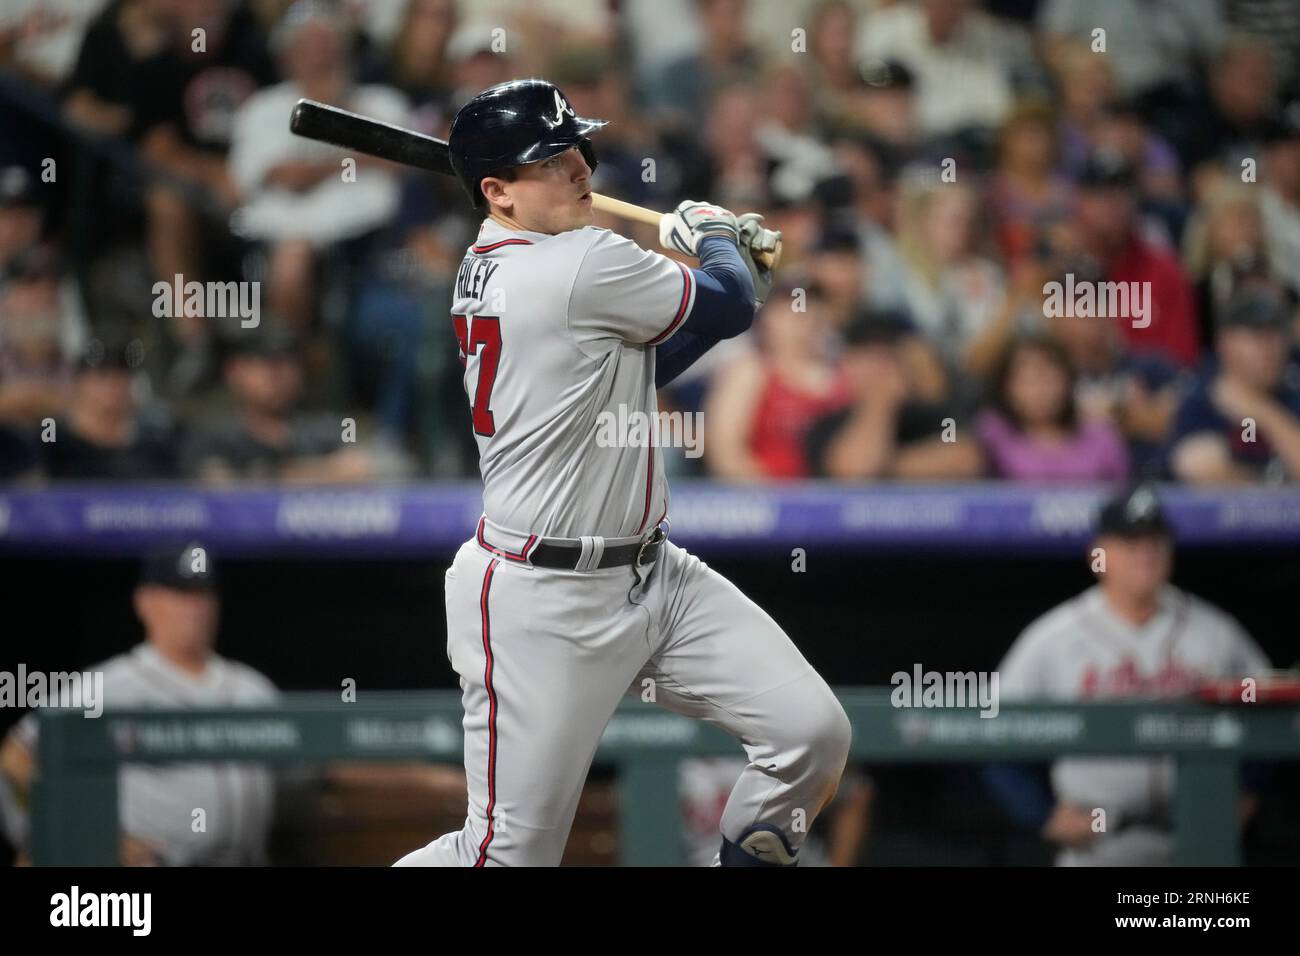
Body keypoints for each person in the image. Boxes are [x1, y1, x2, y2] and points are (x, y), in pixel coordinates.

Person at [393, 79, 850, 867]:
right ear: (497, 192)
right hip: (542, 601)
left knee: (808, 734)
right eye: (549, 160)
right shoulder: (575, 261)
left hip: (654, 575)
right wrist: (708, 234)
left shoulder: (507, 259)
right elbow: (730, 307)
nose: (577, 168)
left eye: (576, 149)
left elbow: (645, 361)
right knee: (503, 856)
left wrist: (718, 269)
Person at [984, 484, 1272, 866]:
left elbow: (1274, 714)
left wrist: (1249, 792)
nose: (1146, 553)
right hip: (1098, 844)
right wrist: (1040, 814)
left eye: (1156, 541)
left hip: (1199, 838)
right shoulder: (1053, 637)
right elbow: (989, 731)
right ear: (1098, 556)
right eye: (1130, 542)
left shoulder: (1216, 631)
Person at [0, 542, 279, 866]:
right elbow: (15, 760)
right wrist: (92, 834)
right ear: (144, 601)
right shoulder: (107, 684)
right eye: (180, 593)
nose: (194, 607)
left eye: (203, 593)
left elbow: (306, 776)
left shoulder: (253, 687)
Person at [227, 0, 408, 331]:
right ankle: (292, 360)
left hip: (370, 242)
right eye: (311, 47)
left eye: (331, 45)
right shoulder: (264, 109)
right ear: (287, 57)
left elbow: (403, 163)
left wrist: (342, 120)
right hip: (284, 242)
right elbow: (290, 177)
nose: (324, 56)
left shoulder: (383, 103)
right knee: (293, 260)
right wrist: (361, 156)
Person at [804, 309, 982, 481]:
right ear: (846, 364)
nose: (880, 367)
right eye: (869, 356)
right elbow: (853, 470)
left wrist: (883, 466)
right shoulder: (827, 422)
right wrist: (879, 402)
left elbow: (965, 458)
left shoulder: (928, 416)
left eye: (889, 355)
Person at [704, 285, 853, 481]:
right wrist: (781, 500)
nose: (803, 317)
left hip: (837, 498)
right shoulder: (750, 373)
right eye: (792, 309)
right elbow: (726, 453)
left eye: (810, 309)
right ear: (768, 319)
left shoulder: (844, 375)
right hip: (766, 497)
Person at [1168, 286, 1300, 484]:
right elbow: (1189, 463)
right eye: (1258, 337)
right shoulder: (1203, 398)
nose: (1271, 348)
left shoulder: (1292, 395)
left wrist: (1260, 409)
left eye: (1276, 335)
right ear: (1225, 342)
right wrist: (1269, 478)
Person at [977, 334, 1130, 481]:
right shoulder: (993, 434)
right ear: (1006, 387)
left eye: (1048, 378)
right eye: (1027, 380)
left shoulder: (1101, 435)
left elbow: (1123, 492)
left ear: (1068, 381)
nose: (1039, 390)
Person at [42, 339, 181, 480]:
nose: (114, 385)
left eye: (122, 376)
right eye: (103, 376)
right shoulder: (52, 439)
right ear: (80, 382)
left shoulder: (153, 443)